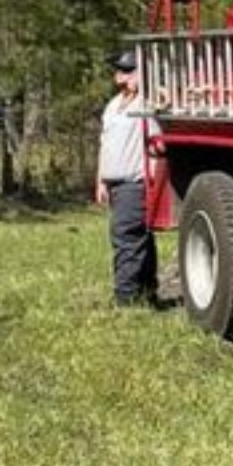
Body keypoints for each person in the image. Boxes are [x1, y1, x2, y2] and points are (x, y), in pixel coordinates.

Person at [95, 52, 160, 307]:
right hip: (115, 184)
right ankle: (145, 292)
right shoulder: (113, 105)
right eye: (120, 70)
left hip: (135, 182)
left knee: (126, 237)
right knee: (138, 237)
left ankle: (126, 298)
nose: (121, 74)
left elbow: (157, 141)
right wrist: (101, 181)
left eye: (128, 70)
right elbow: (105, 144)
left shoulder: (146, 104)